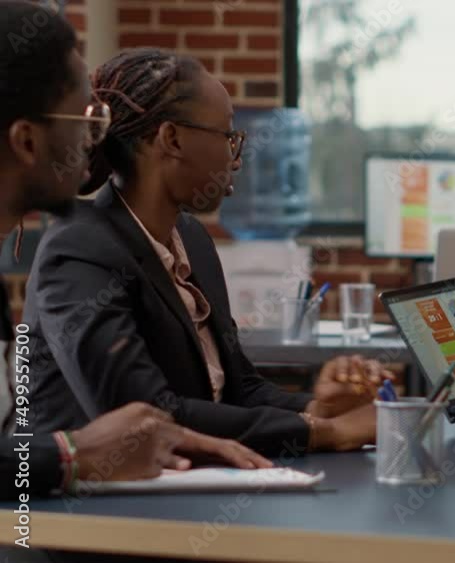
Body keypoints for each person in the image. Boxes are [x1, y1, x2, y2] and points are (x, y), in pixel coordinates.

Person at [22, 47, 389, 457]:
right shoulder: (78, 247)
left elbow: (238, 387)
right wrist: (326, 432)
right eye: (228, 135)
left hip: (185, 487)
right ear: (172, 139)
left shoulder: (190, 237)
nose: (235, 159)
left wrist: (316, 407)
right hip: (83, 509)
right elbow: (145, 415)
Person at [0, 0, 269, 505]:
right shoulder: (79, 246)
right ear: (27, 141)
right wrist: (71, 454)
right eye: (83, 117)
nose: (97, 138)